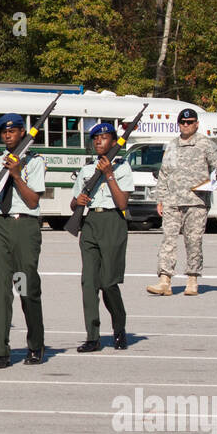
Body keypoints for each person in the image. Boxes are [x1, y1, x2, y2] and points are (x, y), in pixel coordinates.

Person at [0, 113, 46, 368]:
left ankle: (35, 345)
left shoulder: (34, 162)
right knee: (0, 290)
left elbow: (33, 201)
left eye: (13, 131)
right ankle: (1, 351)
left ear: (22, 133)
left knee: (25, 286)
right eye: (4, 132)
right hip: (1, 226)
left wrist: (17, 175)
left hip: (24, 226)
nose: (8, 135)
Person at [146, 108, 217, 296]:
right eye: (183, 122)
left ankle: (192, 278)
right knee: (168, 240)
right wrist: (160, 198)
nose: (186, 125)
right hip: (172, 201)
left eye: (190, 122)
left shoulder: (204, 144)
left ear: (196, 124)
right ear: (179, 124)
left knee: (193, 241)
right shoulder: (172, 145)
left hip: (196, 202)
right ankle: (164, 280)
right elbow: (164, 173)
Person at [71, 122, 134, 352]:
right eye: (95, 138)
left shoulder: (122, 167)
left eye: (104, 138)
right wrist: (77, 202)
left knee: (108, 282)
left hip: (113, 222)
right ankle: (92, 336)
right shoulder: (87, 168)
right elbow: (73, 201)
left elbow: (122, 203)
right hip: (90, 224)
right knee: (89, 283)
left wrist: (109, 174)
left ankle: (119, 328)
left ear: (113, 141)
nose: (99, 141)